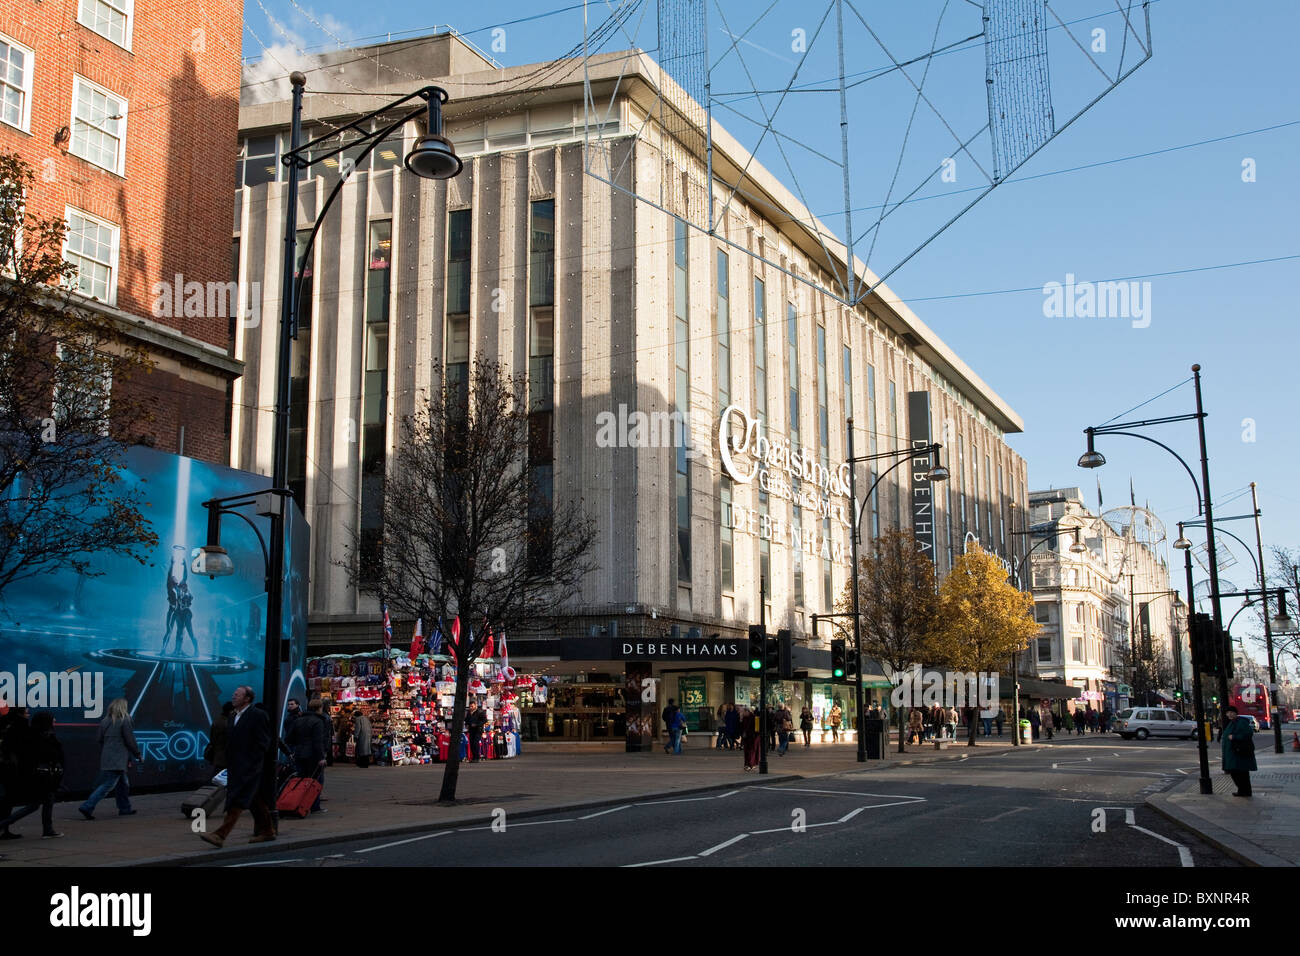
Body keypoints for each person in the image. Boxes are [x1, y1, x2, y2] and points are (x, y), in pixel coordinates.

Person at [200, 686, 275, 848]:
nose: (233, 697)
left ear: (247, 699)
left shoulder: (257, 715)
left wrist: (253, 761)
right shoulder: (233, 716)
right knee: (255, 800)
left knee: (237, 800)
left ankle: (220, 835)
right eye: (233, 694)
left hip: (250, 766)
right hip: (236, 766)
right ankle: (268, 831)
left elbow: (264, 742)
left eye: (237, 695)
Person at [0, 711, 64, 838]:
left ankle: (48, 829)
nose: (55, 720)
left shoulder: (32, 735)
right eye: (52, 719)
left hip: (38, 775)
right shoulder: (46, 737)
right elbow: (51, 755)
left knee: (43, 803)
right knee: (36, 804)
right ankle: (3, 823)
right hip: (45, 776)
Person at [78, 698, 141, 820]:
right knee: (108, 784)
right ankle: (87, 806)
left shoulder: (105, 721)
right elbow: (130, 740)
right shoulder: (125, 720)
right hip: (119, 758)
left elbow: (99, 739)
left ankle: (125, 808)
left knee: (123, 784)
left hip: (107, 757)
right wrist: (137, 754)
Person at [284, 698, 327, 813]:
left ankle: (299, 803)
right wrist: (321, 758)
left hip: (299, 754)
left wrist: (297, 746)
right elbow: (317, 741)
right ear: (319, 708)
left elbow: (288, 738)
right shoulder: (318, 721)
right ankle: (314, 806)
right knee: (316, 781)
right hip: (313, 756)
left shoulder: (298, 720)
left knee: (301, 780)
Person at [1221, 704, 1257, 797]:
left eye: (1231, 712)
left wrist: (1235, 737)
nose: (1229, 714)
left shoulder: (1240, 722)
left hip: (1239, 752)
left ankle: (1245, 791)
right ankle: (1243, 790)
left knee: (1240, 773)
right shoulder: (1232, 722)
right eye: (1228, 713)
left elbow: (1248, 733)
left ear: (1236, 713)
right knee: (1237, 773)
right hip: (1234, 753)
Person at [206, 702, 233, 773]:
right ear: (231, 711)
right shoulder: (228, 723)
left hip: (218, 757)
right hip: (224, 758)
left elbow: (212, 739)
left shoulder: (217, 721)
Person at [740, 706, 760, 771]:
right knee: (746, 751)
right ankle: (747, 764)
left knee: (752, 751)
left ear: (748, 711)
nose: (742, 713)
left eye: (744, 712)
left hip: (753, 737)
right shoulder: (744, 718)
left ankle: (750, 764)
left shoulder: (755, 718)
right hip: (746, 737)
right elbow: (741, 727)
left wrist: (754, 736)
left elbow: (757, 729)